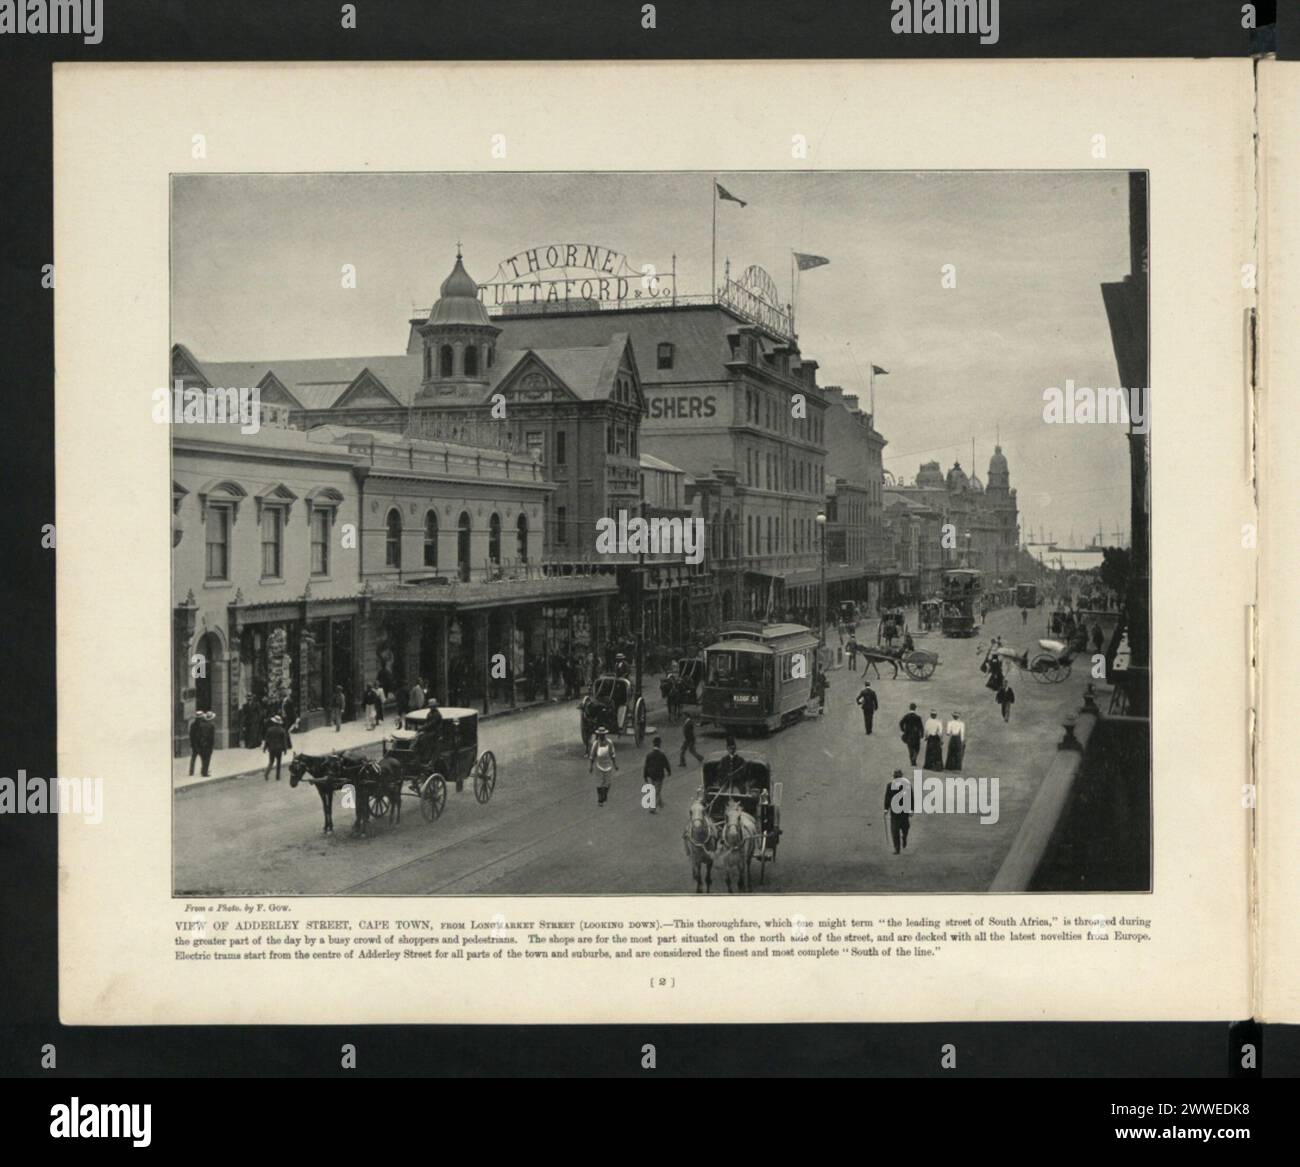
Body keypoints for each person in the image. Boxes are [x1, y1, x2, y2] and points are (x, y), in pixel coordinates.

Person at [884, 768, 912, 854]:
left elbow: (911, 797)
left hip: (904, 811)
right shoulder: (889, 785)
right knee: (894, 830)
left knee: (905, 828)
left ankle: (904, 838)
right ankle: (897, 849)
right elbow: (887, 798)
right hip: (894, 812)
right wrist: (886, 808)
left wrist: (911, 809)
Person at [588, 727, 617, 805]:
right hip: (599, 766)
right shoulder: (596, 744)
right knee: (599, 783)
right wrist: (591, 766)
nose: (602, 736)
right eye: (600, 735)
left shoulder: (609, 743)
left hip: (608, 765)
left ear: (605, 735)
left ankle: (604, 794)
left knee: (608, 783)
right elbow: (592, 756)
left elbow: (612, 754)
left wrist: (615, 765)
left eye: (603, 735)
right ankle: (600, 800)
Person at [643, 736, 671, 813]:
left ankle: (661, 803)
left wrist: (645, 776)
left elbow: (646, 765)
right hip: (659, 775)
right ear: (659, 744)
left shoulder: (649, 755)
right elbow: (666, 764)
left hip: (652, 775)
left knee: (655, 789)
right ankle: (653, 808)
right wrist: (669, 771)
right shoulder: (662, 755)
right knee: (657, 791)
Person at [263, 715, 291, 781]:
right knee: (278, 763)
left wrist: (265, 748)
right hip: (279, 749)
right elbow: (284, 741)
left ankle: (266, 773)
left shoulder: (269, 730)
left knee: (271, 762)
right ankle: (277, 777)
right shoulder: (282, 730)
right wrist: (285, 750)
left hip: (271, 748)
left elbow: (267, 740)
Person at [187, 711, 207, 776]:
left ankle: (191, 771)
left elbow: (191, 735)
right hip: (200, 744)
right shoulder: (202, 725)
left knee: (193, 758)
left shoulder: (192, 724)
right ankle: (203, 770)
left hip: (194, 744)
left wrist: (192, 743)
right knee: (203, 758)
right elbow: (203, 735)